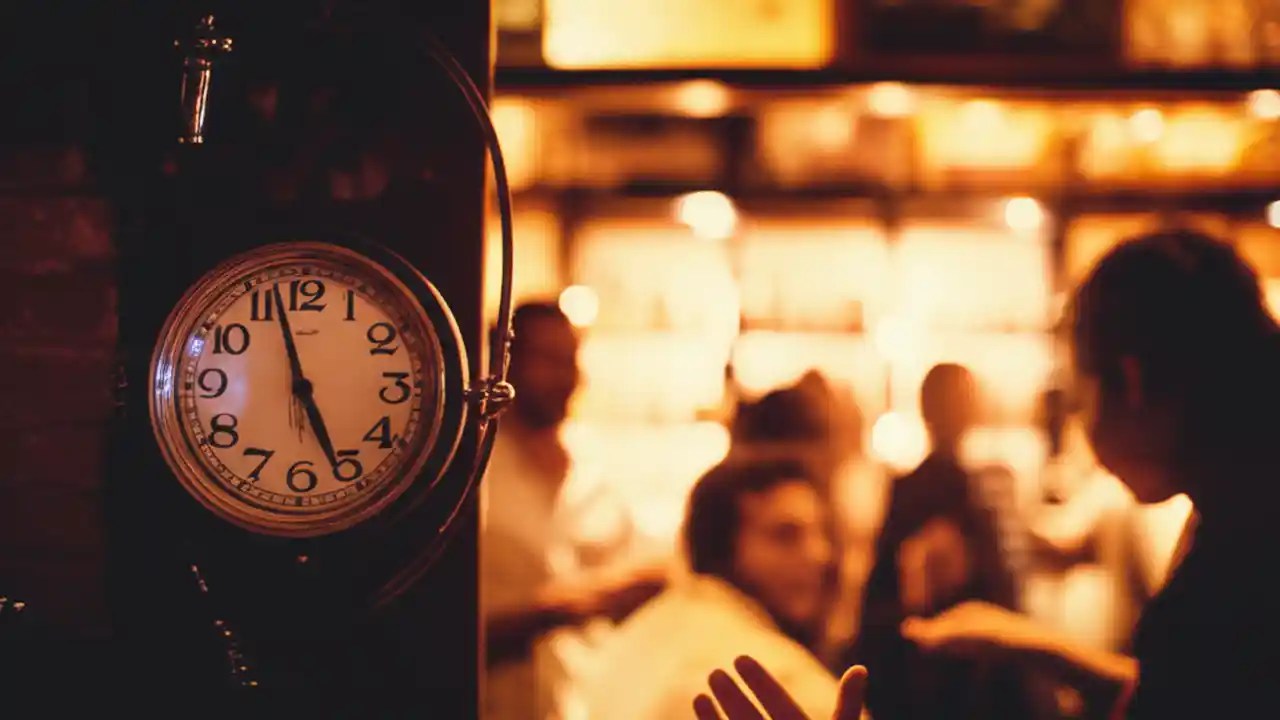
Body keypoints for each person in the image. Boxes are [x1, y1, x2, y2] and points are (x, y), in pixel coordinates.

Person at [701, 228, 1280, 719]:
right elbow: (1195, 692)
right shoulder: (1237, 510)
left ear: (1130, 384)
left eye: (1080, 396)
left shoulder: (1239, 555)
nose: (1083, 423)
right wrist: (1033, 645)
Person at [481, 302, 663, 720]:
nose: (565, 377)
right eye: (548, 360)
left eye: (571, 360)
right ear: (502, 364)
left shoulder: (595, 468)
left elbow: (639, 571)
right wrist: (565, 607)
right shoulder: (473, 473)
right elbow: (448, 626)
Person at [849, 363, 1044, 719]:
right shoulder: (947, 487)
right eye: (960, 401)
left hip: (943, 664)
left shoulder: (937, 484)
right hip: (954, 670)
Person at [583, 459, 840, 720]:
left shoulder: (632, 638)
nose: (820, 555)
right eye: (785, 535)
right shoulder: (779, 678)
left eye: (822, 533)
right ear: (721, 548)